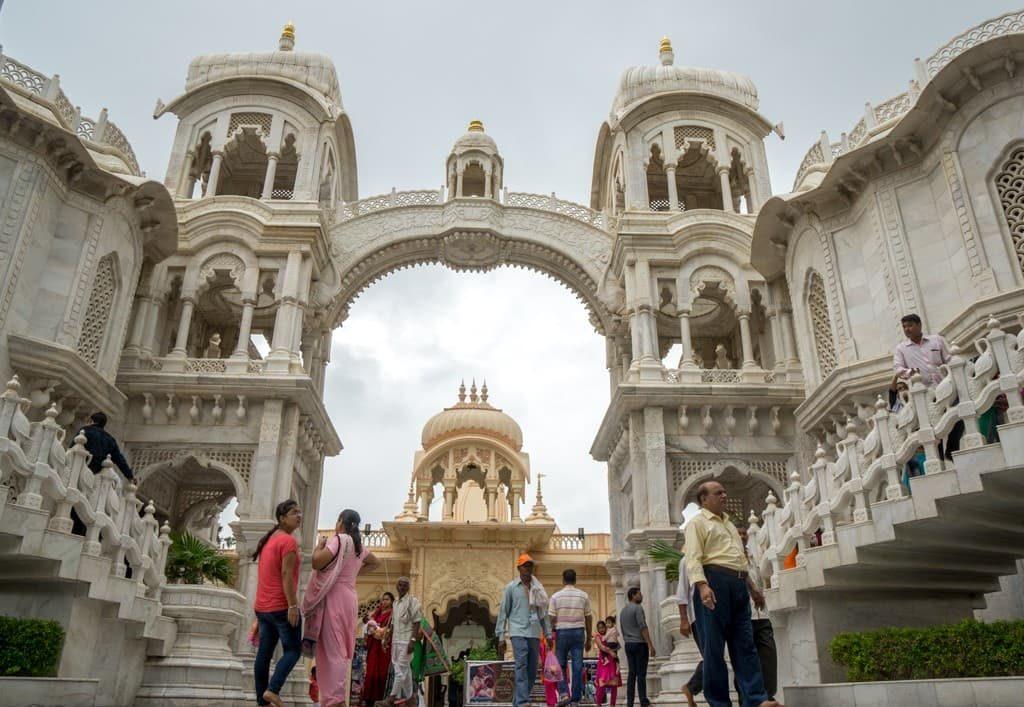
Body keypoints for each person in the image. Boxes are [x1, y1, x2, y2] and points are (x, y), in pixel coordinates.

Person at [683, 481, 782, 707]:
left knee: (745, 644)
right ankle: (719, 703)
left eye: (725, 492)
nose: (724, 495)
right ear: (704, 499)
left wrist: (752, 588)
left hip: (738, 584)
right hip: (714, 582)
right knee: (714, 649)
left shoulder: (728, 524)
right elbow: (693, 558)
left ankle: (756, 700)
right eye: (718, 493)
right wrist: (702, 586)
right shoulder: (697, 523)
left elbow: (738, 560)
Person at [303, 509, 380, 707]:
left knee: (332, 649)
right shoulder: (358, 546)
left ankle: (335, 700)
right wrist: (354, 572)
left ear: (340, 522)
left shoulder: (340, 540)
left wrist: (319, 547)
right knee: (342, 649)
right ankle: (335, 698)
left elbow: (316, 562)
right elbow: (376, 562)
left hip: (334, 597)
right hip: (349, 597)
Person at [253, 499, 304, 707]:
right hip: (281, 606)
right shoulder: (288, 541)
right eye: (294, 513)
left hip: (263, 607)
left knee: (264, 653)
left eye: (300, 512)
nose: (299, 516)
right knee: (293, 650)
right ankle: (272, 690)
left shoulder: (269, 540)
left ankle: (262, 701)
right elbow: (286, 575)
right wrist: (292, 605)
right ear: (282, 518)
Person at [893, 313, 962, 459]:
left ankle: (951, 449)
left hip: (945, 386)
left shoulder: (936, 340)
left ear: (919, 325)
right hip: (925, 393)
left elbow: (948, 359)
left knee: (957, 415)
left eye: (910, 325)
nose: (907, 329)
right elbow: (898, 369)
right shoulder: (901, 349)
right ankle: (940, 456)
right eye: (904, 327)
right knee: (933, 424)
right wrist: (911, 372)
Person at [496, 553, 552, 707]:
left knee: (532, 669)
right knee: (521, 664)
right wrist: (501, 637)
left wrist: (548, 633)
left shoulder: (538, 588)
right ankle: (522, 701)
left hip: (534, 632)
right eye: (525, 566)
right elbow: (503, 612)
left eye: (530, 566)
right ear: (519, 568)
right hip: (517, 632)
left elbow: (543, 612)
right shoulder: (511, 588)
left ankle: (518, 701)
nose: (528, 568)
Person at [549, 568, 593, 706]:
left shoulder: (556, 596)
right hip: (578, 632)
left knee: (560, 664)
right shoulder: (583, 596)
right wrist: (589, 638)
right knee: (577, 666)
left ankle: (563, 694)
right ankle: (575, 699)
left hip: (562, 632)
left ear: (563, 580)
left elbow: (551, 617)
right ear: (575, 580)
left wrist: (550, 634)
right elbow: (588, 617)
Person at [386, 576, 423, 706]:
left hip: (406, 642)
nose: (401, 587)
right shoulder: (395, 603)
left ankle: (391, 698)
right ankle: (410, 698)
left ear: (408, 587)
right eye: (400, 585)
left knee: (400, 671)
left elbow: (417, 622)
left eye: (404, 585)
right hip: (395, 641)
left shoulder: (413, 602)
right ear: (397, 586)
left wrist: (412, 640)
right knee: (405, 671)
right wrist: (387, 637)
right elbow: (393, 623)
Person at [619, 587, 655, 707]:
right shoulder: (638, 608)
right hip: (639, 644)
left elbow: (622, 629)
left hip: (628, 645)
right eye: (639, 594)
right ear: (633, 595)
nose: (641, 596)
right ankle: (644, 702)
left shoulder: (623, 611)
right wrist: (650, 645)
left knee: (632, 674)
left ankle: (630, 703)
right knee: (641, 674)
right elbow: (642, 626)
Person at [361, 592, 395, 707]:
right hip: (374, 647)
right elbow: (369, 626)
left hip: (384, 648)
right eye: (383, 599)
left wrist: (377, 630)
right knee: (371, 669)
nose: (384, 602)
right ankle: (369, 699)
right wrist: (370, 627)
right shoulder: (377, 612)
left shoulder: (392, 614)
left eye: (387, 599)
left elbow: (387, 631)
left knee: (382, 670)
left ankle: (382, 698)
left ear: (392, 601)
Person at [594, 620, 621, 707]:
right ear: (597, 629)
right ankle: (598, 704)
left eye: (603, 627)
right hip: (603, 663)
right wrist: (610, 651)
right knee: (601, 684)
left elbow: (617, 644)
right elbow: (601, 647)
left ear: (606, 627)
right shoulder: (597, 636)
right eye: (599, 628)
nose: (601, 629)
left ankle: (612, 704)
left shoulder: (610, 634)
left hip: (612, 661)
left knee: (614, 685)